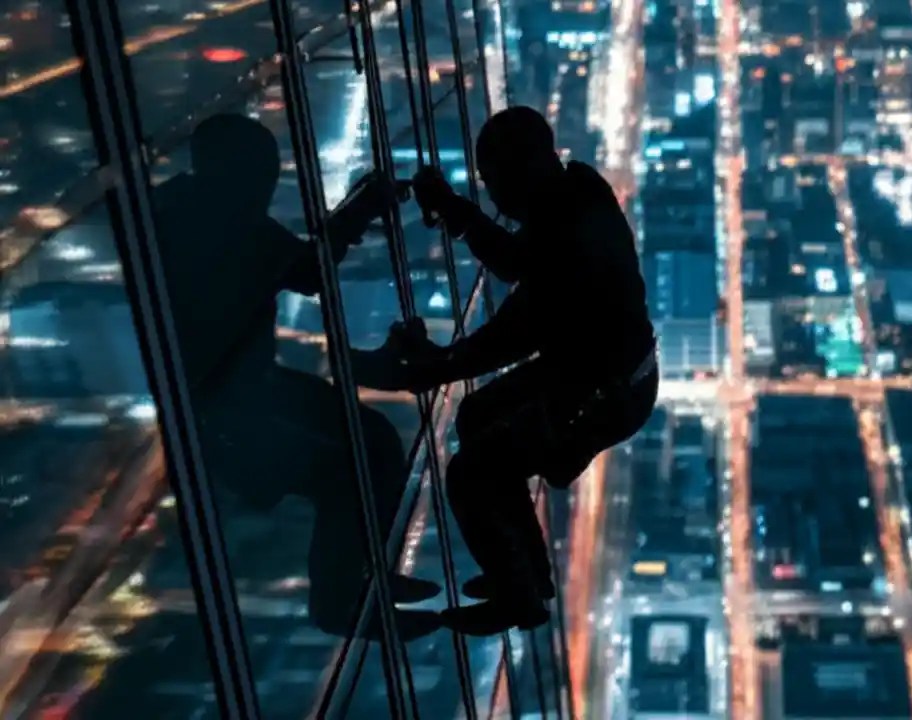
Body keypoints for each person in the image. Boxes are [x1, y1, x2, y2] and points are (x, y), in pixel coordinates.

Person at [354, 106, 658, 636]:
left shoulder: (571, 233)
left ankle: (519, 597)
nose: (494, 196)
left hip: (601, 393)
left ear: (527, 170)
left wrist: (436, 365)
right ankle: (526, 576)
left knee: (472, 473)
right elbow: (520, 268)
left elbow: (515, 317)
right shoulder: (575, 197)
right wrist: (457, 212)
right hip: (596, 376)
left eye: (495, 181)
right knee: (477, 417)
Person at [152, 114, 440, 638]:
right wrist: (359, 210)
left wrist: (358, 210)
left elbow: (304, 267)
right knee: (346, 468)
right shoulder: (219, 221)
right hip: (224, 403)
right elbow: (309, 270)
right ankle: (338, 603)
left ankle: (364, 575)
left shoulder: (201, 210)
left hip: (243, 386)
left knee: (372, 440)